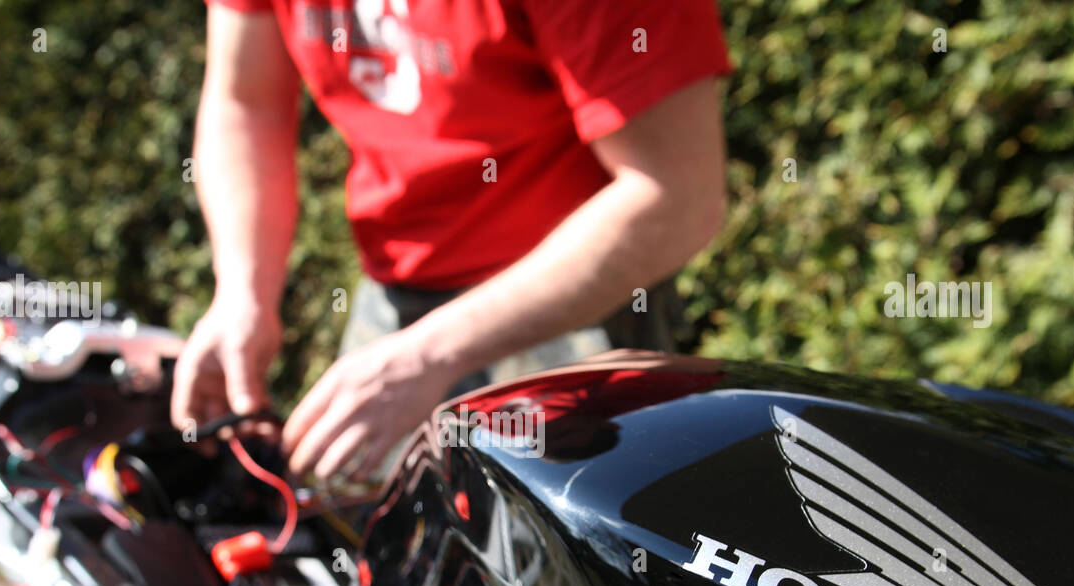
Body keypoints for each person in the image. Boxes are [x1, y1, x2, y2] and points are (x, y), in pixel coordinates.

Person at [171, 0, 732, 482]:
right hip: (395, 304)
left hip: (572, 311)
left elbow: (678, 196)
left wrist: (429, 355)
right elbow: (247, 101)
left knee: (566, 582)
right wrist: (244, 294)